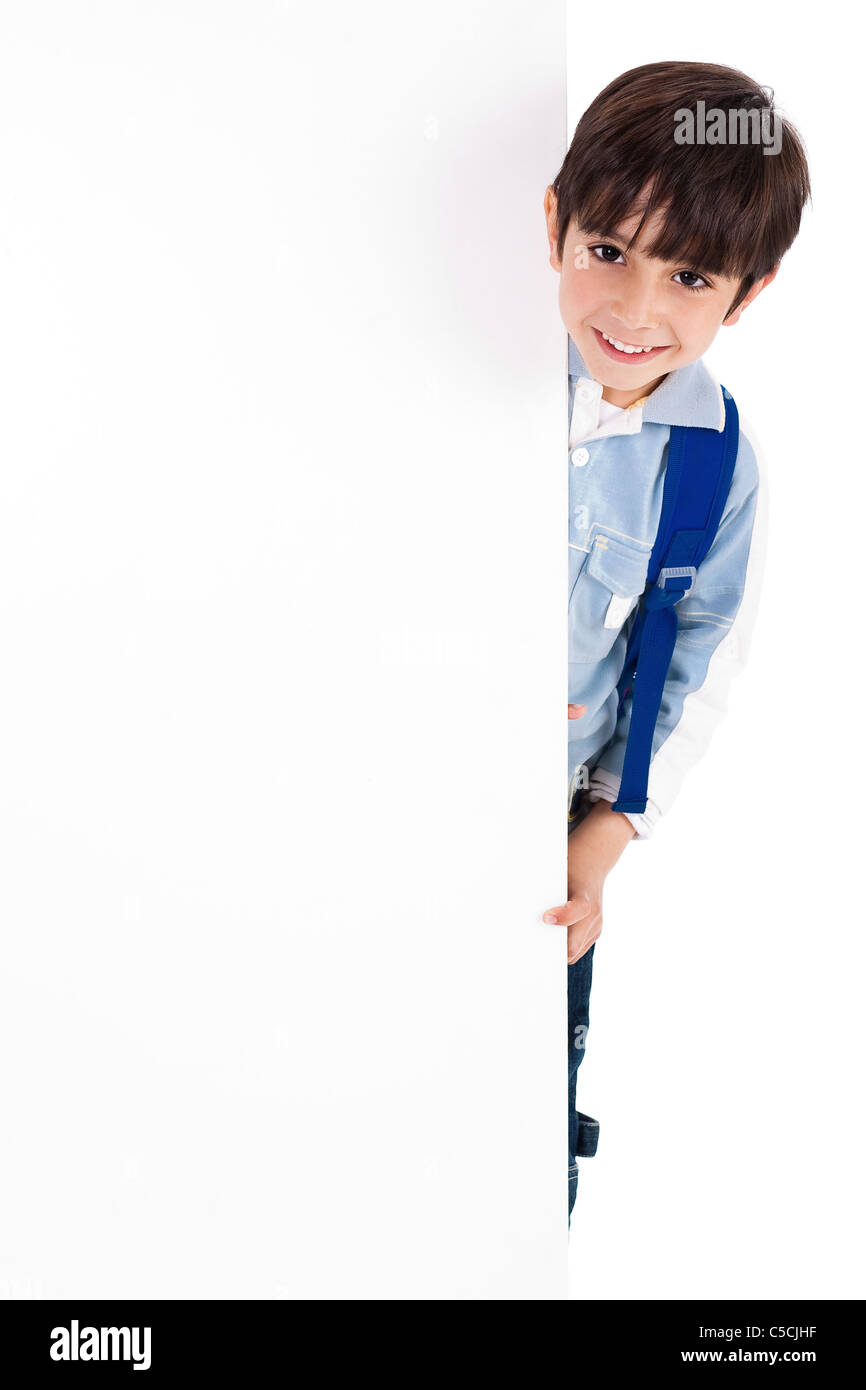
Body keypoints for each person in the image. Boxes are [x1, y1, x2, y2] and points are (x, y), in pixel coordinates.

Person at [539, 60, 811, 1222]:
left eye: (688, 275)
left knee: (517, 1137)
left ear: (742, 295)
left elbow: (696, 662)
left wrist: (599, 843)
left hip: (538, 850)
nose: (635, 310)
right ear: (553, 224)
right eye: (608, 251)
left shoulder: (712, 466)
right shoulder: (451, 379)